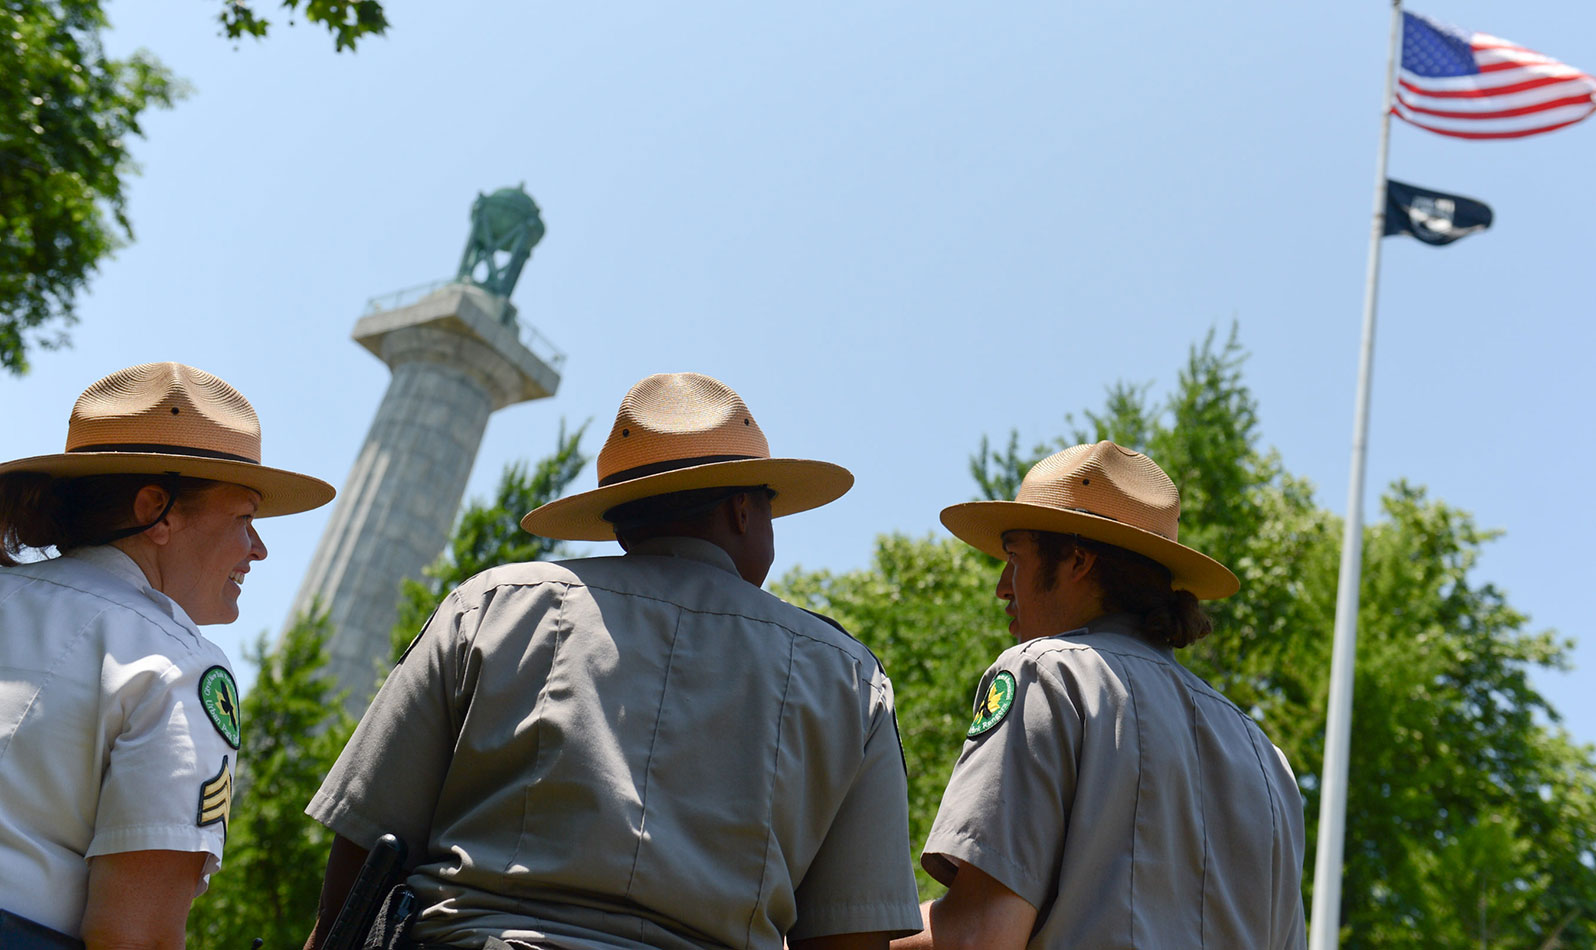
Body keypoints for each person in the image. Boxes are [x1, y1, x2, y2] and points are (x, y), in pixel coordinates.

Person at [304, 372, 922, 950]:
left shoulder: (492, 607)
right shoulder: (847, 676)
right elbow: (851, 937)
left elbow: (362, 857)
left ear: (622, 521)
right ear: (742, 509)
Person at [894, 441, 1307, 950]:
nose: (1004, 587)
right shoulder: (1267, 757)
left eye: (1014, 557)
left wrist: (818, 941)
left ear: (1078, 561)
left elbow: (980, 935)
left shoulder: (1047, 673)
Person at [0, 362, 335, 949]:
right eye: (246, 517)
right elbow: (135, 935)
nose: (258, 549)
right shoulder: (177, 665)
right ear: (158, 510)